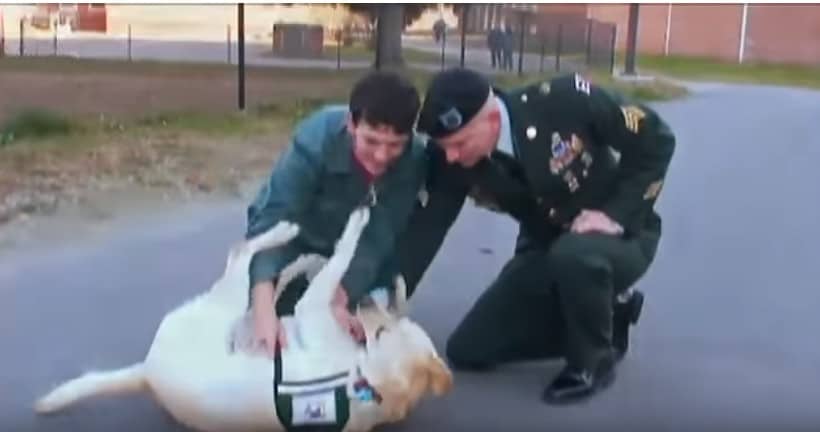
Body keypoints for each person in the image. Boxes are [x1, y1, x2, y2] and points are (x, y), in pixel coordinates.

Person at [395, 68, 676, 404]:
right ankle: (609, 314)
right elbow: (427, 229)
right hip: (546, 247)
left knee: (575, 256)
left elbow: (657, 139)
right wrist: (386, 299)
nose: (451, 155)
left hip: (619, 238)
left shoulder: (563, 101)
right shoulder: (455, 161)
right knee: (469, 348)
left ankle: (593, 359)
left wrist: (616, 215)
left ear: (491, 119)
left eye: (459, 143)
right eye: (445, 147)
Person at [242, 70, 426, 358]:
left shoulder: (414, 158)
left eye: (394, 145)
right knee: (274, 311)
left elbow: (377, 238)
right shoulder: (315, 140)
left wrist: (337, 300)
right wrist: (262, 311)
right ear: (351, 124)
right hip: (300, 240)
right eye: (372, 141)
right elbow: (273, 223)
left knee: (348, 330)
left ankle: (373, 299)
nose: (381, 156)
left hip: (354, 253)